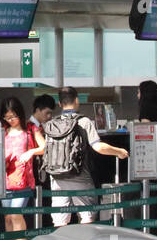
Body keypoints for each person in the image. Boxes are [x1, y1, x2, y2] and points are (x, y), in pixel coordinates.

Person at [42, 87, 127, 226]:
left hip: (56, 177)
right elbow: (98, 147)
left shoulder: (52, 125)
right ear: (76, 100)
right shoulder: (84, 122)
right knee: (87, 217)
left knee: (59, 221)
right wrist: (119, 151)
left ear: (59, 104)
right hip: (79, 175)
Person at [1, 97, 46, 240]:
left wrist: (31, 152)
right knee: (8, 218)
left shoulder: (30, 129)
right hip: (5, 180)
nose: (10, 120)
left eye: (13, 116)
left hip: (24, 181)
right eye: (7, 117)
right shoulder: (3, 131)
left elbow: (44, 147)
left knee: (16, 215)